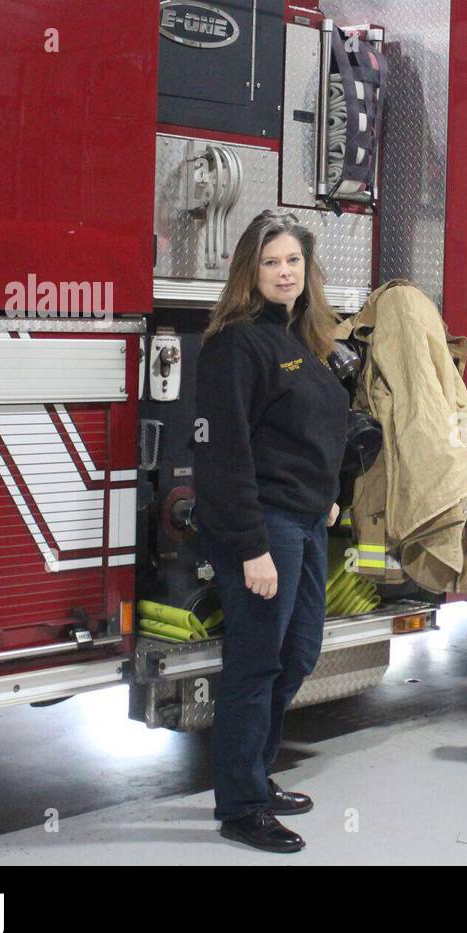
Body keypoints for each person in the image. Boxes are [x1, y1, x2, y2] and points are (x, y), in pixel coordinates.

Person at [193, 210, 349, 853]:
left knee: (299, 653)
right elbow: (225, 453)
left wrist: (330, 498)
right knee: (255, 666)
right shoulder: (237, 344)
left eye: (293, 262)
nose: (285, 273)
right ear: (248, 272)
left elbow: (311, 432)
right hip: (266, 526)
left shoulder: (301, 338)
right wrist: (253, 546)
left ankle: (257, 771)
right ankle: (241, 805)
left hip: (308, 521)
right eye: (271, 263)